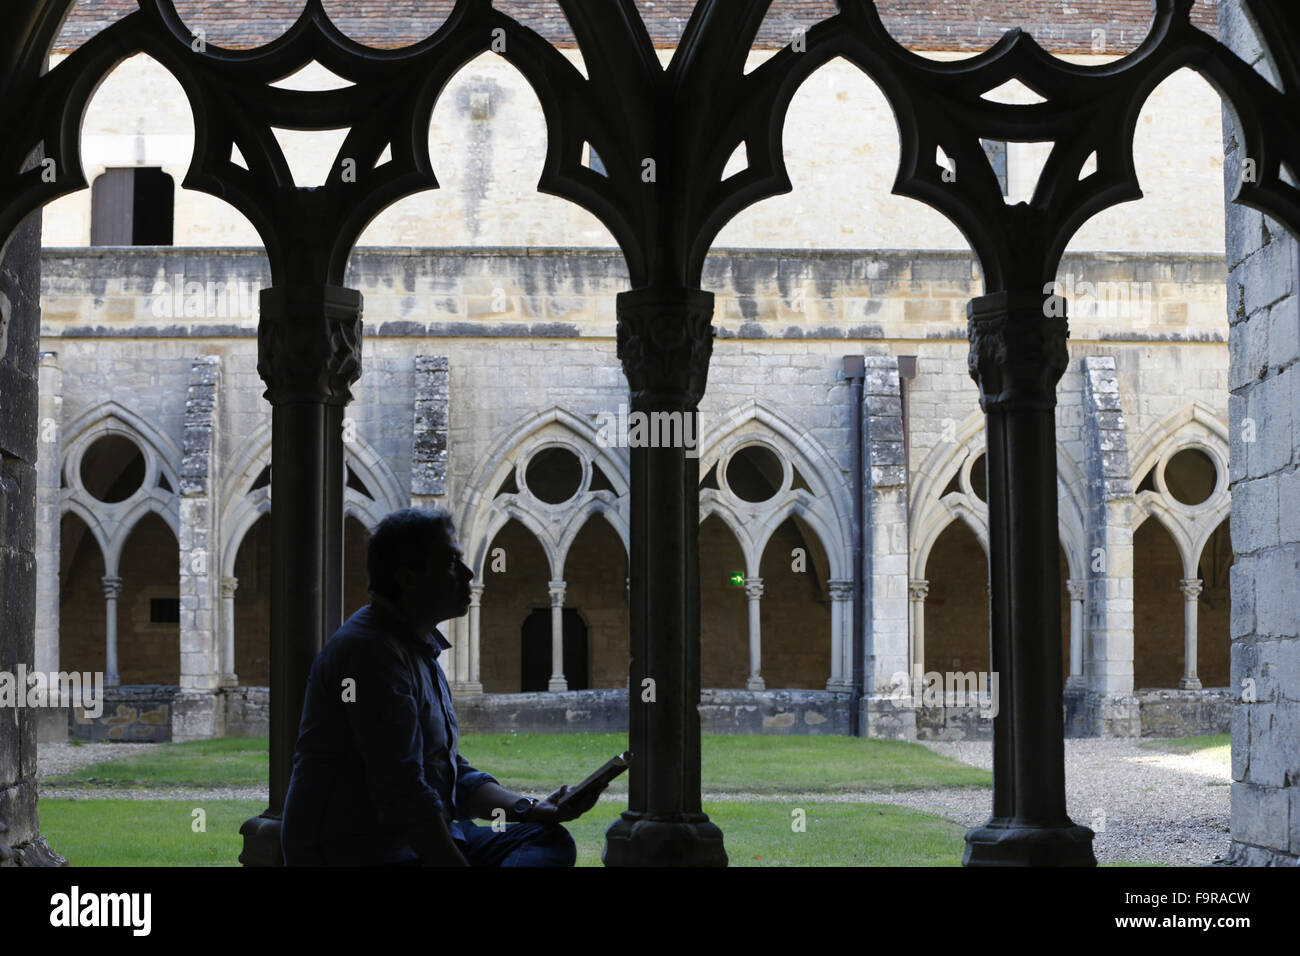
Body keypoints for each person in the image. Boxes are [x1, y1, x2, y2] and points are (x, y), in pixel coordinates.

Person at [280, 507, 604, 866]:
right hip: (363, 851)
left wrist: (528, 808)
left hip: (426, 837)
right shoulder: (369, 653)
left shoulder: (416, 647)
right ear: (408, 578)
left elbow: (447, 772)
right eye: (451, 561)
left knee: (545, 838)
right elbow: (404, 796)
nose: (468, 573)